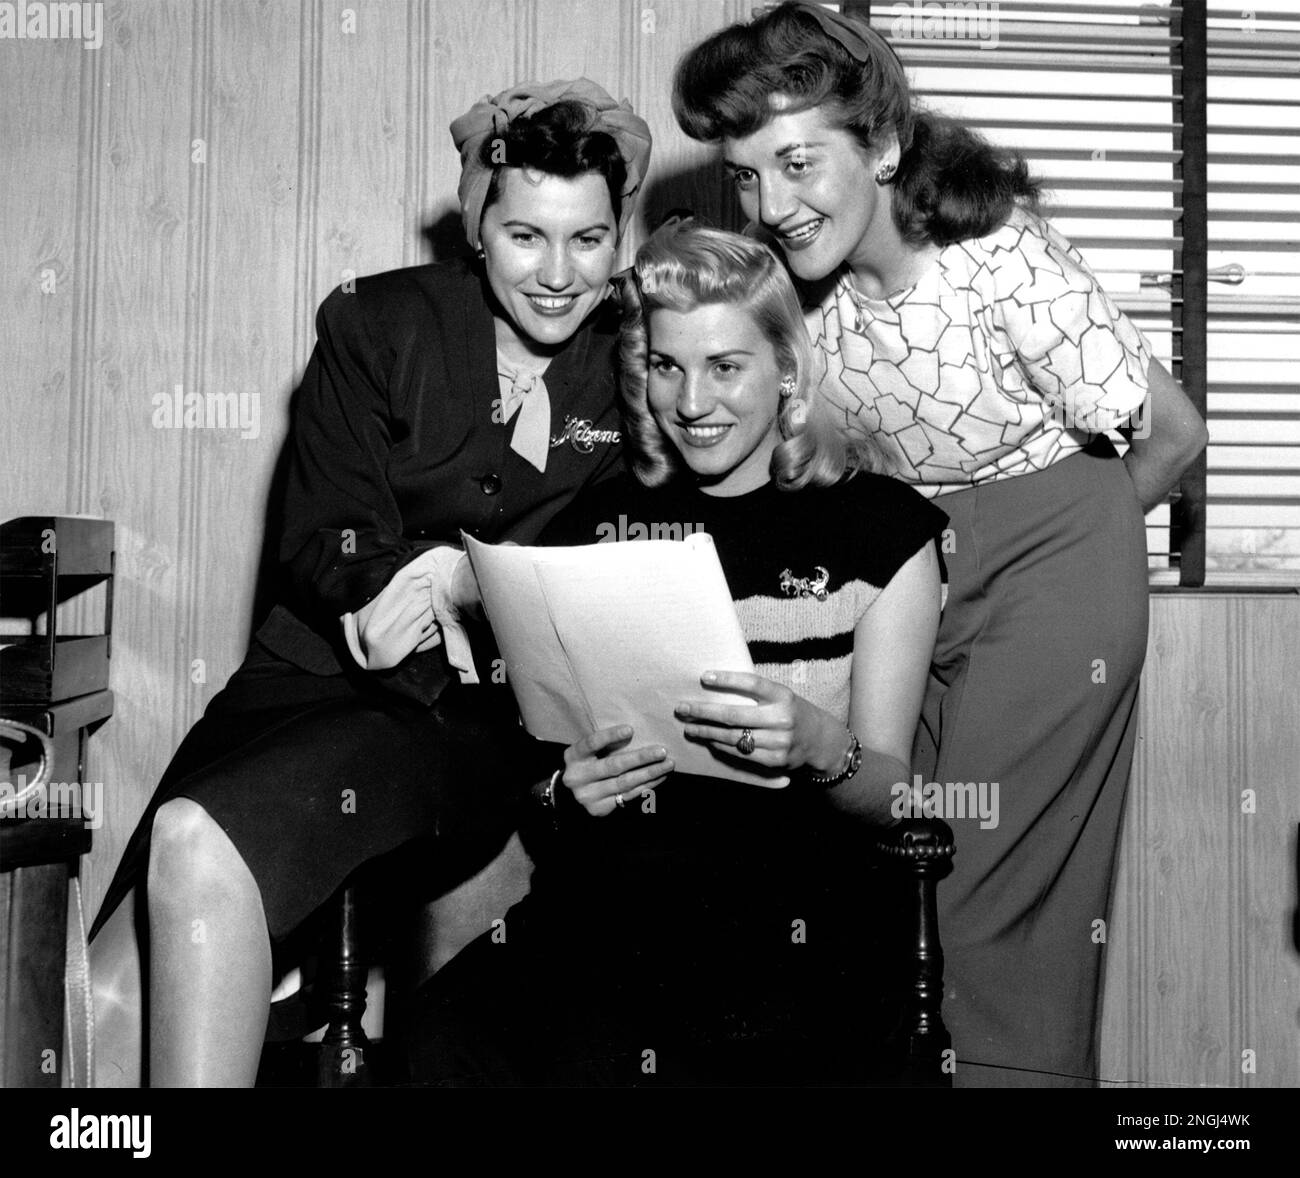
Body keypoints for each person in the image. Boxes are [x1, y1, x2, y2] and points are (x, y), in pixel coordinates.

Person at [672, 2, 1210, 1087]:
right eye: (745, 174)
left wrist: (1076, 550)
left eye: (798, 162)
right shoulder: (799, 294)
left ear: (878, 143)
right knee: (872, 840)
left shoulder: (998, 254)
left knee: (981, 871)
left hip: (1053, 544)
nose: (771, 205)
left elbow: (1173, 436)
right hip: (905, 559)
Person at [87, 79, 652, 1088]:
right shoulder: (376, 323)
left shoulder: (637, 367)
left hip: (460, 723)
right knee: (100, 999)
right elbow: (319, 536)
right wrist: (432, 577)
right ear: (481, 226)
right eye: (527, 236)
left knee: (198, 840)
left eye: (588, 240)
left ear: (619, 242)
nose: (558, 274)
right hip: (300, 677)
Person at [405, 222, 947, 1086]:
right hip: (614, 913)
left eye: (726, 367)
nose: (692, 401)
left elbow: (900, 798)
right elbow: (539, 771)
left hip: (803, 918)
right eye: (667, 366)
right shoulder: (594, 523)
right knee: (440, 1045)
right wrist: (564, 792)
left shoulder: (883, 530)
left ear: (787, 371)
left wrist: (817, 745)